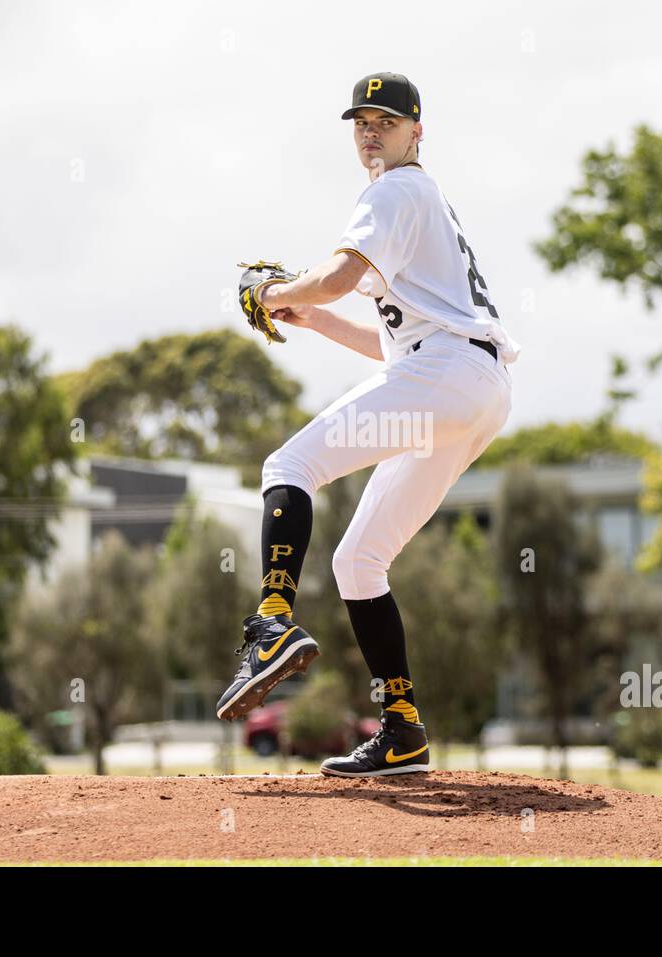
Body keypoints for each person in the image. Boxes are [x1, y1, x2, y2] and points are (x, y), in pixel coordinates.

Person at [216, 71, 520, 777]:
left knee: (286, 468)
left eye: (387, 120)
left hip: (447, 374)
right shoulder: (420, 204)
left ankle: (272, 624)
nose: (372, 131)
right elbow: (390, 347)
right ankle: (402, 728)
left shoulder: (396, 189)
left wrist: (273, 292)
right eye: (361, 122)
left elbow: (337, 275)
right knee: (358, 562)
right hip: (470, 385)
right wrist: (308, 314)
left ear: (419, 132)